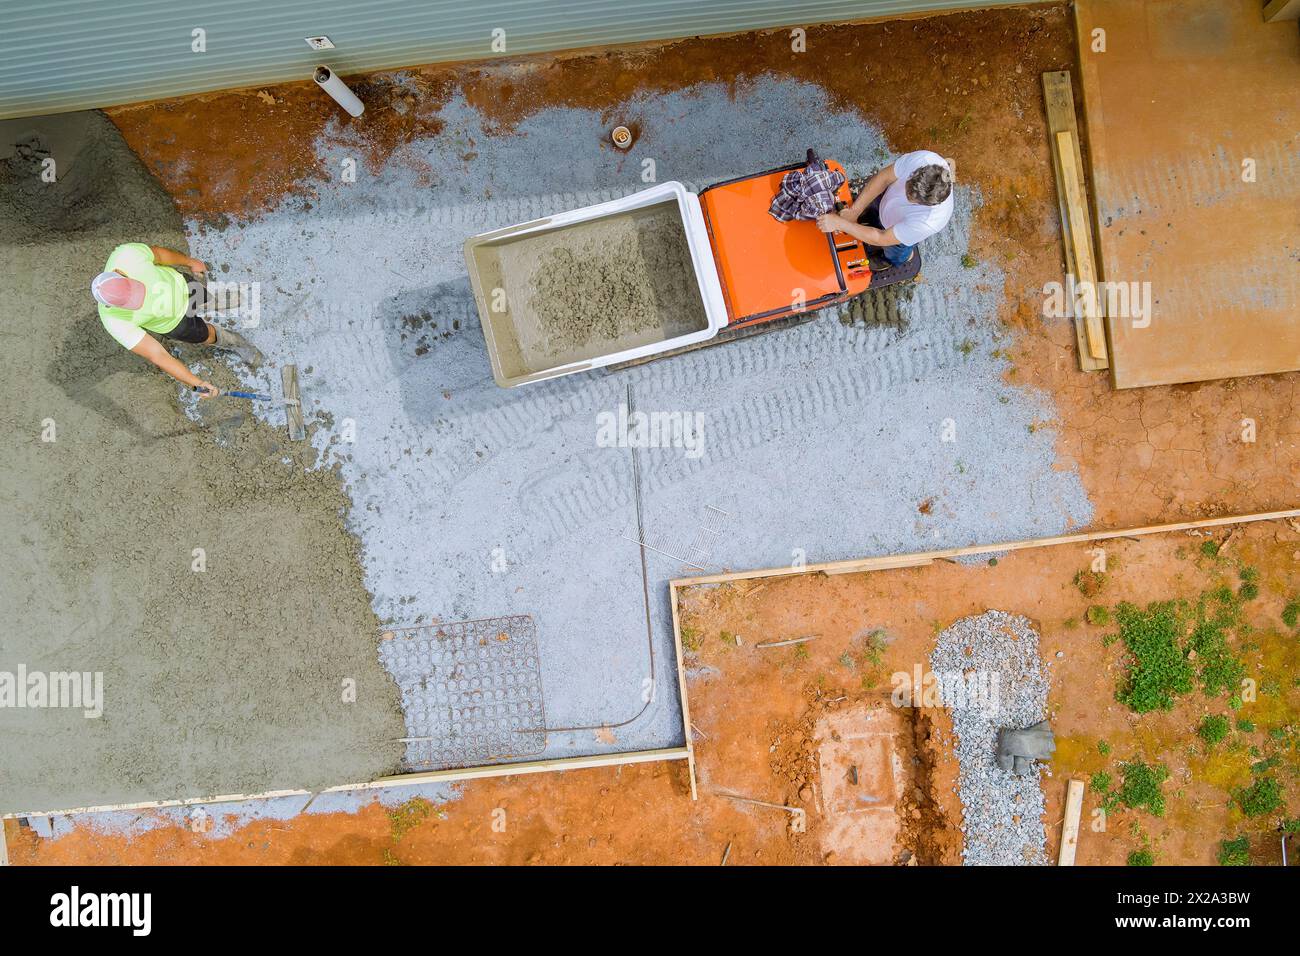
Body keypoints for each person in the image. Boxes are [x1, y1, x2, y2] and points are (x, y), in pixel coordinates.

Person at [92, 242, 263, 397]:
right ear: (110, 306)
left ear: (119, 273)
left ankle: (212, 302)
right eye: (132, 301)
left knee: (203, 296)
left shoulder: (127, 255)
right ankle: (236, 343)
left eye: (135, 290)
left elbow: (159, 255)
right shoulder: (113, 321)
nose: (142, 298)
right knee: (207, 335)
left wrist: (189, 262)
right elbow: (157, 355)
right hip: (176, 323)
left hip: (182, 286)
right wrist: (197, 383)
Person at [815, 150, 954, 268]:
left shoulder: (927, 222)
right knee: (873, 208)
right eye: (907, 187)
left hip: (899, 231)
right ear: (917, 172)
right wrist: (854, 211)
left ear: (927, 204)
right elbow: (883, 179)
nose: (905, 194)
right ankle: (870, 217)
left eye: (910, 198)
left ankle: (901, 258)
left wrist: (840, 223)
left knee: (895, 252)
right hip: (885, 202)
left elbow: (881, 237)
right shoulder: (923, 159)